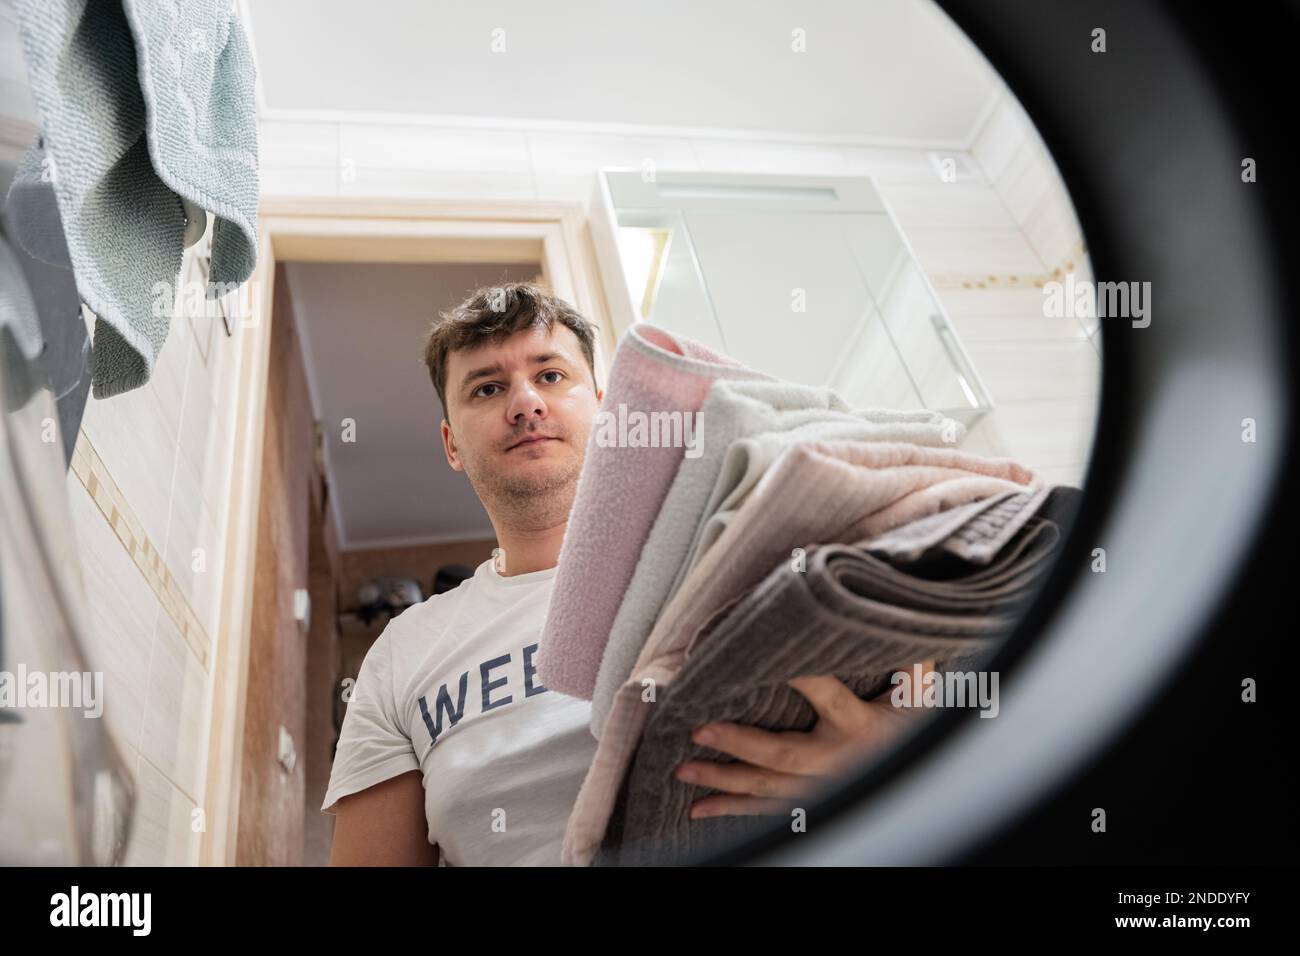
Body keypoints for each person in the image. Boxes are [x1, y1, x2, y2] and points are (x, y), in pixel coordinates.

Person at [323, 282, 932, 866]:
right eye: (486, 388)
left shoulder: (723, 542)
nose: (525, 402)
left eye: (551, 375)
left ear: (606, 408)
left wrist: (891, 746)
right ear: (452, 444)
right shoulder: (400, 655)